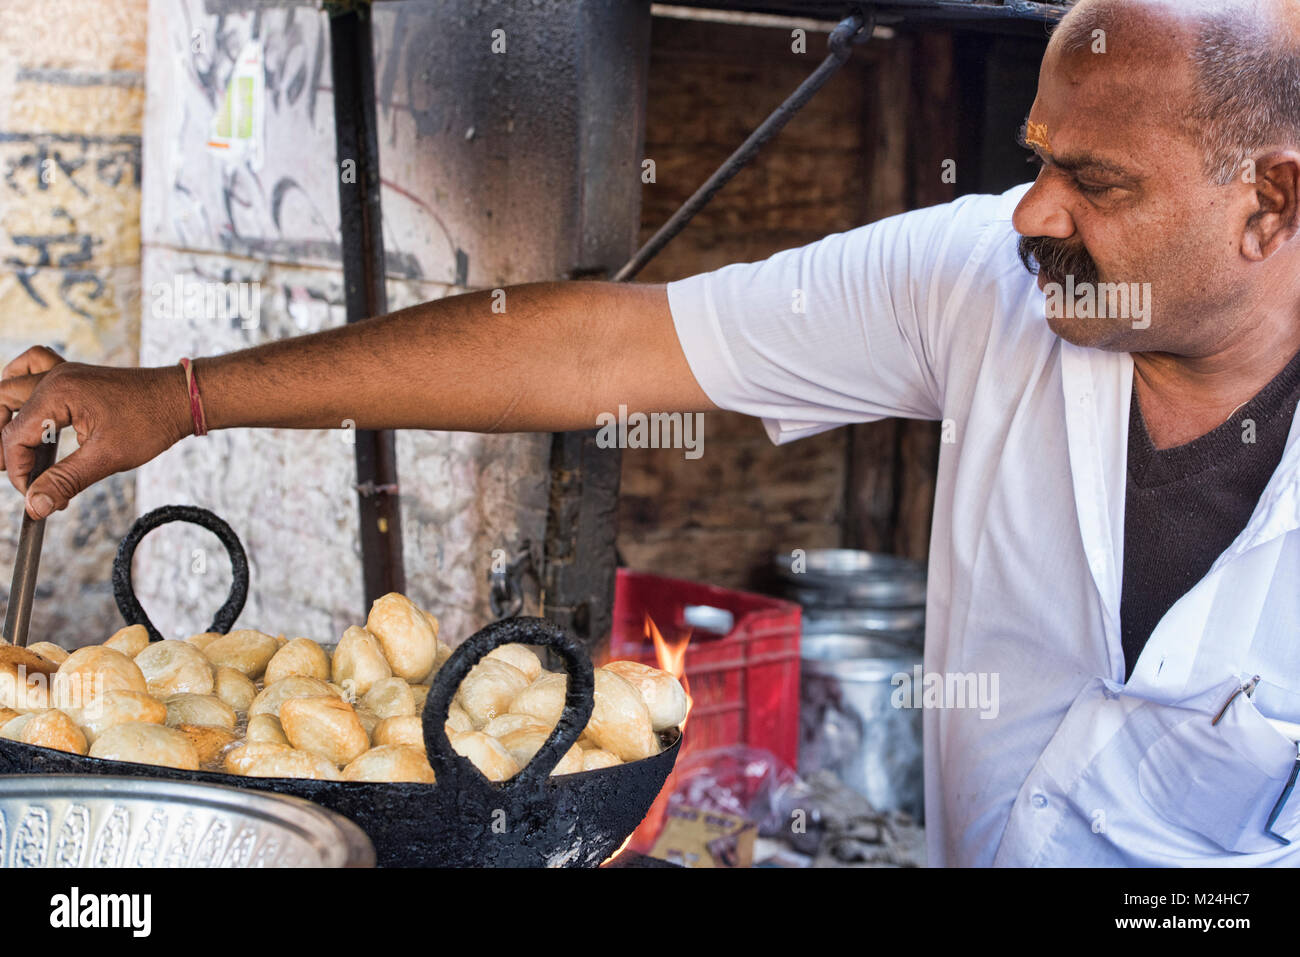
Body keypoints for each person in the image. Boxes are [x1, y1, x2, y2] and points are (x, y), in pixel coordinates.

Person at [3, 0, 1300, 866]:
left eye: (1098, 182)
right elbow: (595, 345)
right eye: (1037, 159)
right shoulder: (979, 281)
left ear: (1271, 201)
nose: (1033, 213)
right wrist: (176, 397)